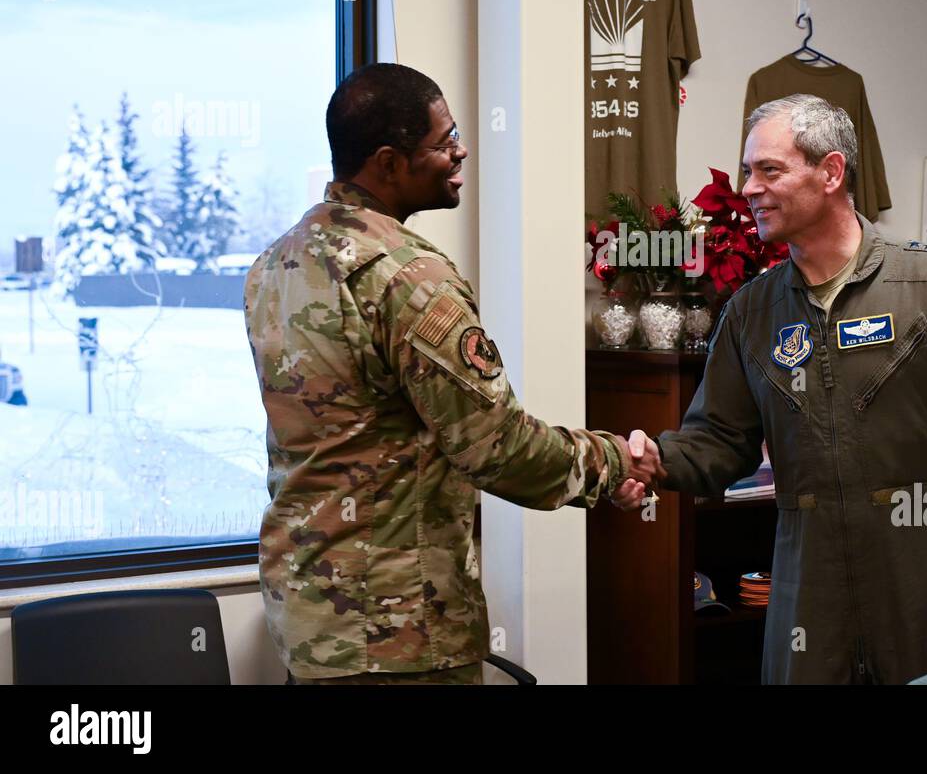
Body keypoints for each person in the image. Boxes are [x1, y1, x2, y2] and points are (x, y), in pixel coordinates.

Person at [244, 62, 654, 684]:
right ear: (388, 162)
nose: (460, 150)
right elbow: (497, 446)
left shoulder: (276, 264)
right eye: (442, 143)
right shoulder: (405, 276)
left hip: (312, 621)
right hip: (397, 630)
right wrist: (618, 461)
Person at [612, 94, 927, 684]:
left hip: (923, 583)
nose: (750, 188)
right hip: (807, 589)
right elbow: (720, 440)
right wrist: (657, 461)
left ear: (831, 172)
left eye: (769, 170)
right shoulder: (751, 312)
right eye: (748, 172)